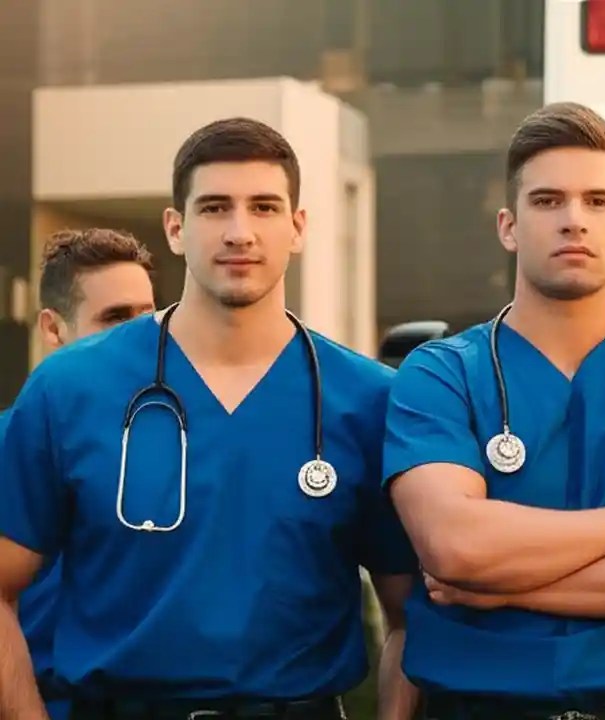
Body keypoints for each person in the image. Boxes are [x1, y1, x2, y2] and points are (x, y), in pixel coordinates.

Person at [0, 117, 418, 720]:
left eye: (265, 208)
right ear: (176, 227)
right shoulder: (72, 389)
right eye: (216, 208)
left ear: (298, 228)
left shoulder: (367, 400)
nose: (240, 232)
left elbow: (408, 616)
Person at [383, 101, 605, 719]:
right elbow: (456, 548)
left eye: (597, 202)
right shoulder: (442, 375)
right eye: (548, 201)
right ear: (509, 226)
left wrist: (499, 591)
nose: (574, 221)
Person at [5, 228, 157, 720]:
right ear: (53, 329)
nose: (139, 335)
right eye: (115, 318)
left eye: (147, 316)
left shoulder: (182, 441)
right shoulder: (7, 444)